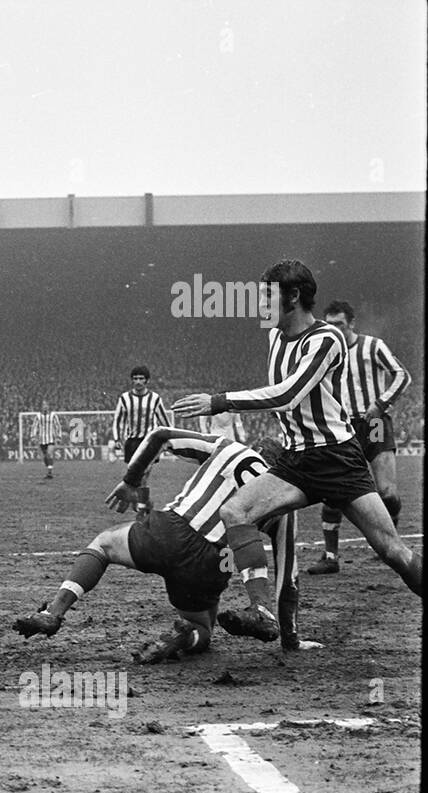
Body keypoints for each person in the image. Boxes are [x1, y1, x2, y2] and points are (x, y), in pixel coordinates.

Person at [172, 259, 421, 642]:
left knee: (391, 551)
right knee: (235, 511)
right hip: (296, 461)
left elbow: (288, 394)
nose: (261, 305)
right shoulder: (274, 336)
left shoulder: (326, 339)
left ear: (293, 297)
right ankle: (260, 612)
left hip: (336, 458)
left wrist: (220, 401)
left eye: (268, 297)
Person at [14, 428, 304, 659]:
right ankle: (186, 637)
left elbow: (160, 435)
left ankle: (53, 612)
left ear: (253, 446)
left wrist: (132, 480)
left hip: (170, 532)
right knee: (202, 627)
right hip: (214, 562)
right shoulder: (281, 496)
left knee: (103, 545)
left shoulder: (229, 448)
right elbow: (287, 572)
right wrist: (290, 638)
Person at [308, 300, 411, 575]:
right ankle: (330, 556)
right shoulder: (323, 353)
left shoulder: (372, 346)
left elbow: (402, 375)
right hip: (342, 428)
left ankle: (392, 541)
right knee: (332, 493)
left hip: (374, 421)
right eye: (329, 325)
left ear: (351, 324)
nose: (334, 330)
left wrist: (381, 403)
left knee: (386, 492)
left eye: (339, 325)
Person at [112, 366, 171, 514]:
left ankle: (141, 509)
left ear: (147, 380)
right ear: (132, 380)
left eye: (141, 379)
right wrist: (117, 438)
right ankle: (142, 503)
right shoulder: (124, 398)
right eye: (135, 378)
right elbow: (118, 420)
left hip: (149, 442)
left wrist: (168, 438)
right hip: (132, 442)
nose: (138, 382)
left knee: (144, 475)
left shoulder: (155, 398)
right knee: (135, 476)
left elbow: (164, 420)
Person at [31, 400, 60, 479]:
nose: (45, 407)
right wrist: (33, 436)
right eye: (43, 405)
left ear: (48, 406)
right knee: (44, 457)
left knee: (49, 454)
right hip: (42, 439)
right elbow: (34, 426)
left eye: (46, 405)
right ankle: (49, 468)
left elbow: (57, 426)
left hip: (51, 438)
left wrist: (58, 437)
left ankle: (49, 473)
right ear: (41, 407)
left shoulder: (53, 415)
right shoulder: (38, 416)